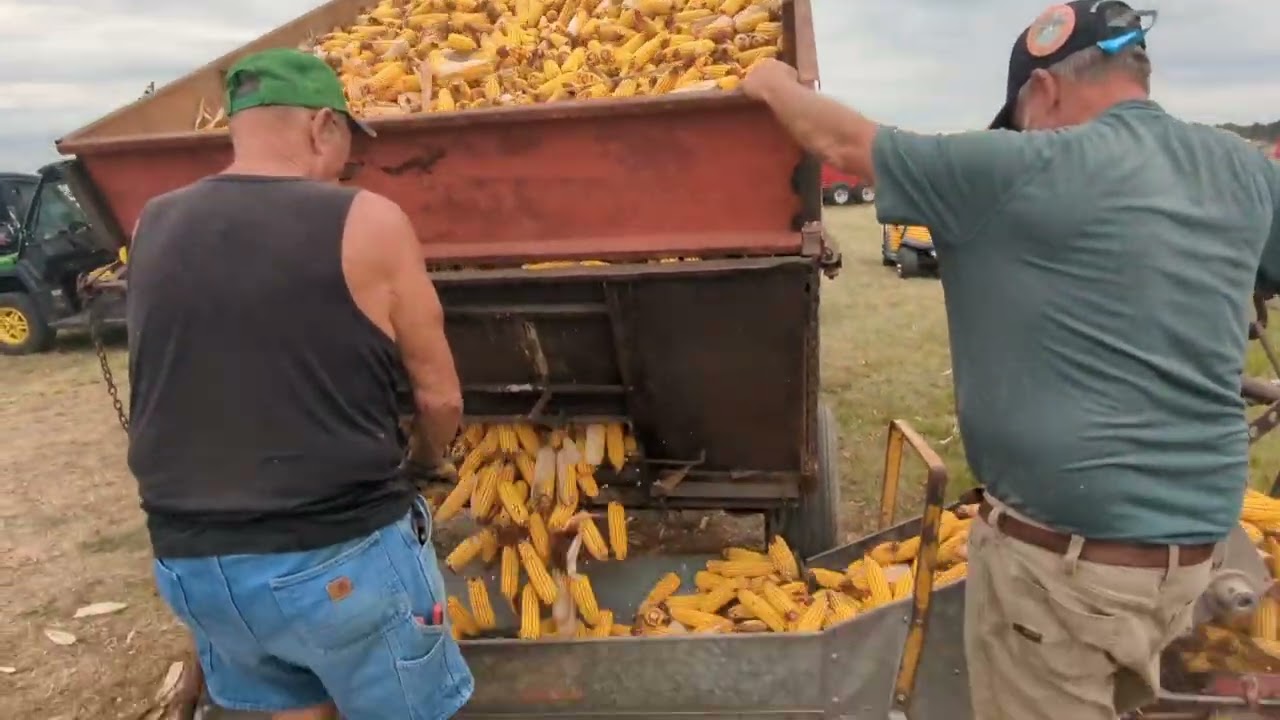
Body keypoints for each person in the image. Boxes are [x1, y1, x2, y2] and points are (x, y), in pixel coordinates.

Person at [743, 2, 1280, 719]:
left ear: (1045, 91)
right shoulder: (1239, 168)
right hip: (1191, 558)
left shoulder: (1017, 168)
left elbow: (839, 141)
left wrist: (768, 77)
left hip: (1066, 571)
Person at [125, 48, 473, 720]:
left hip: (195, 568)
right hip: (334, 561)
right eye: (347, 139)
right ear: (321, 127)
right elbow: (440, 397)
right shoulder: (368, 219)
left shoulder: (152, 223)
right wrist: (427, 461)